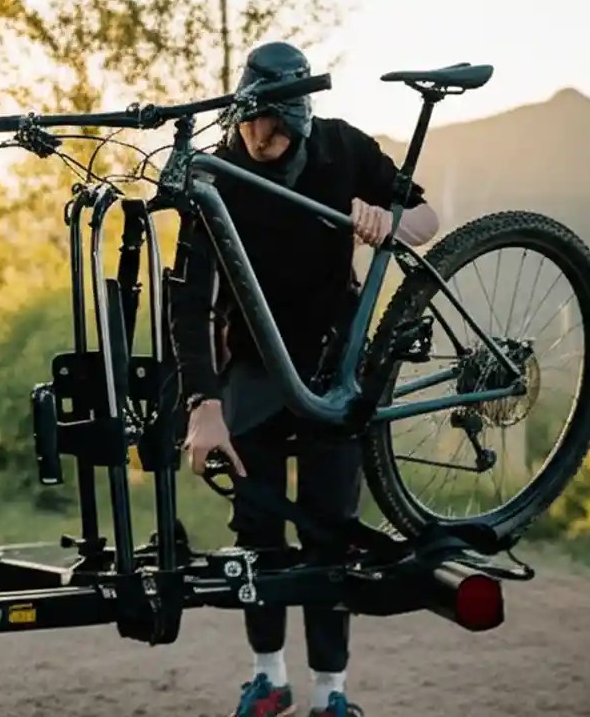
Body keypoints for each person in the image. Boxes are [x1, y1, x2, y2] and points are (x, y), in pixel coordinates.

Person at [168, 41, 442, 717]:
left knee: (330, 538)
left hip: (331, 370)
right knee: (258, 533)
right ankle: (268, 678)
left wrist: (393, 222)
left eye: (276, 123)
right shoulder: (214, 175)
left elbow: (430, 218)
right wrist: (203, 407)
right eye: (249, 120)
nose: (260, 135)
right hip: (254, 374)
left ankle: (332, 695)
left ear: (302, 117)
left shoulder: (344, 150)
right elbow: (187, 300)